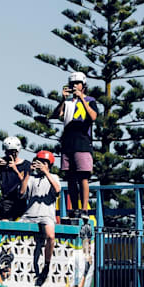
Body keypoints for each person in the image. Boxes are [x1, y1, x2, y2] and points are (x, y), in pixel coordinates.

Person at [49, 71, 98, 219]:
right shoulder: (68, 102)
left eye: (77, 83)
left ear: (83, 86)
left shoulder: (90, 100)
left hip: (82, 142)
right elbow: (55, 115)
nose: (74, 86)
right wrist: (63, 100)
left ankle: (84, 209)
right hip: (67, 142)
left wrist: (82, 98)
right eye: (72, 84)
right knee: (70, 177)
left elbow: (93, 116)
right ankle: (75, 208)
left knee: (83, 176)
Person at [19, 150, 60, 286]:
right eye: (39, 162)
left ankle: (47, 265)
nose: (41, 165)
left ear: (49, 165)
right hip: (29, 215)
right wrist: (28, 173)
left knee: (51, 236)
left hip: (46, 215)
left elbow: (57, 190)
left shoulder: (54, 176)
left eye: (44, 162)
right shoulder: (31, 178)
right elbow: (22, 192)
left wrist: (46, 173)